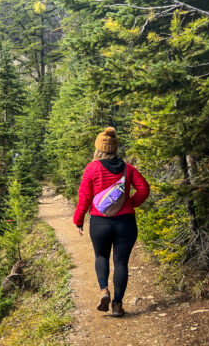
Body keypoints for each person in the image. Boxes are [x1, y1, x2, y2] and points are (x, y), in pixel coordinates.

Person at [73, 127, 150, 317]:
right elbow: (144, 189)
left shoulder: (92, 169)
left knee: (101, 257)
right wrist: (132, 203)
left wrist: (79, 220)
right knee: (121, 262)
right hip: (126, 222)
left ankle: (104, 291)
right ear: (114, 148)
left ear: (98, 148)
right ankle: (117, 305)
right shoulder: (128, 168)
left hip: (100, 222)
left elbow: (84, 198)